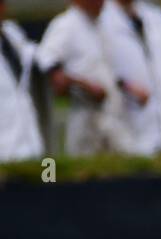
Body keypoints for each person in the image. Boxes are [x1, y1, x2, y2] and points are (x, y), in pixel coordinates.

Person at [36, 0, 132, 155]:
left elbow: (106, 69)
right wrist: (85, 86)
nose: (102, 3)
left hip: (111, 115)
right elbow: (47, 64)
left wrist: (127, 86)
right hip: (84, 116)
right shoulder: (65, 25)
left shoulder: (100, 25)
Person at [99, 0, 161, 154]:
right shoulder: (100, 20)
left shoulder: (157, 16)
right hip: (129, 121)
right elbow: (96, 68)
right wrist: (125, 86)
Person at [0, 0, 44, 161]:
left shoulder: (11, 33)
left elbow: (37, 56)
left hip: (29, 142)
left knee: (46, 178)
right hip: (4, 149)